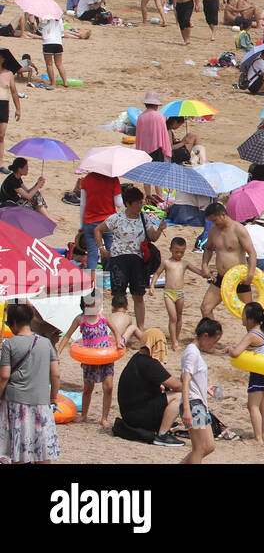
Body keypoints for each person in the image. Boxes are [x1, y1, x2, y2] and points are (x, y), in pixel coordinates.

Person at [93, 184, 166, 329]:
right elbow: (98, 229)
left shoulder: (144, 218)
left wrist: (160, 229)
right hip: (119, 259)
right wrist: (101, 248)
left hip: (138, 260)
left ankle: (140, 327)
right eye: (137, 203)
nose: (140, 205)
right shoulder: (117, 218)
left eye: (141, 202)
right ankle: (117, 327)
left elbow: (152, 237)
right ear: (128, 204)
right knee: (118, 296)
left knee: (138, 295)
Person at [0, 302, 60, 463]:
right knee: (42, 449)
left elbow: (4, 376)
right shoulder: (46, 343)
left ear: (12, 323)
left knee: (18, 450)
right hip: (41, 401)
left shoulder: (9, 345)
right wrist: (54, 397)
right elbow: (55, 374)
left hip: (16, 402)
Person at [56, 292, 122, 426]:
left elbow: (115, 331)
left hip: (105, 356)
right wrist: (58, 353)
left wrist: (119, 341)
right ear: (86, 304)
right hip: (89, 357)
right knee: (88, 388)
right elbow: (68, 335)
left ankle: (104, 418)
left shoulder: (103, 316)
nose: (97, 306)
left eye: (98, 304)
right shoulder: (80, 319)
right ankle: (84, 415)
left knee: (108, 387)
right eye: (93, 304)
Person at [116, 328, 185, 446]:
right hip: (137, 416)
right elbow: (178, 386)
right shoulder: (149, 364)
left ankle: (163, 424)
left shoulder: (138, 358)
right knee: (179, 397)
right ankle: (162, 435)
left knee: (169, 393)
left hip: (130, 414)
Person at [220, 301, 264, 446]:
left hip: (259, 372)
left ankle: (258, 439)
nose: (242, 318)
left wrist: (230, 350)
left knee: (253, 406)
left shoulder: (252, 334)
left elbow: (237, 353)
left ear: (250, 319)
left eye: (243, 315)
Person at [180, 317, 223, 463]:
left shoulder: (195, 352)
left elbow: (191, 379)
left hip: (198, 404)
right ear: (205, 335)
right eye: (214, 341)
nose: (213, 345)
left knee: (209, 446)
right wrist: (186, 408)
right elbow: (185, 381)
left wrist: (204, 388)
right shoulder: (192, 352)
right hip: (194, 405)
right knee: (199, 448)